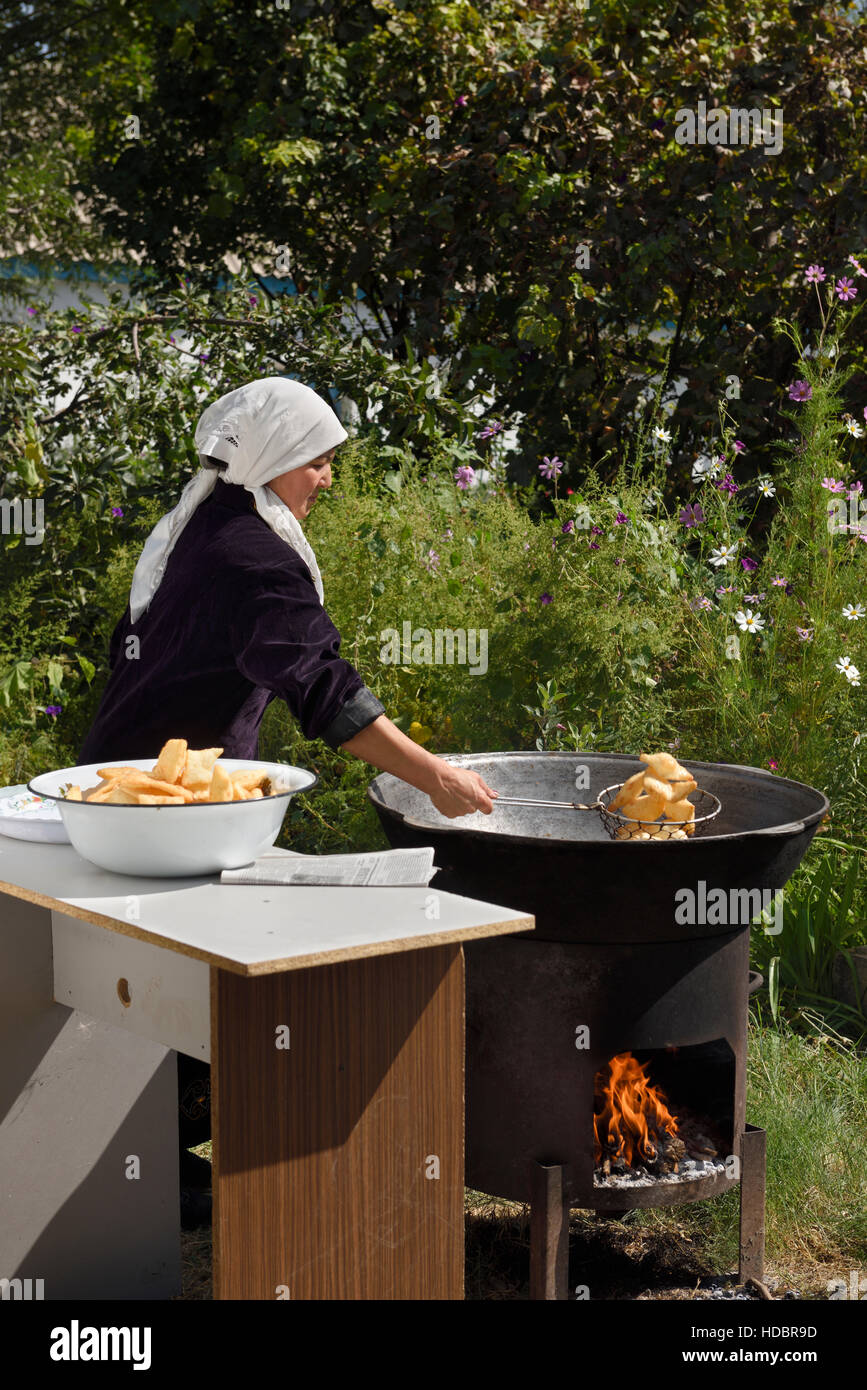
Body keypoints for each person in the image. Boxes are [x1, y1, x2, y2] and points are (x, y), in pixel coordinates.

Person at [79, 376, 497, 1229]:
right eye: (320, 459)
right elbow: (320, 687)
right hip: (165, 805)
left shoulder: (208, 519)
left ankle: (150, 1163)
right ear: (272, 457)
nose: (330, 478)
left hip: (128, 786)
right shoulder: (255, 556)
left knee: (160, 979)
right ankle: (150, 1169)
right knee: (204, 984)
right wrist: (435, 778)